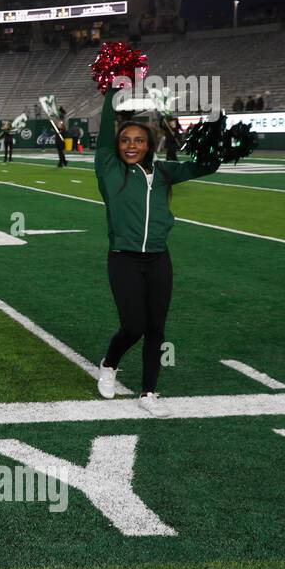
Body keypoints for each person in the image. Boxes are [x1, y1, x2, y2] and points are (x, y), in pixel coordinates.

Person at [93, 90, 220, 416]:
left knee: (156, 329)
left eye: (138, 140)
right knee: (133, 326)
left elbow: (206, 166)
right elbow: (107, 134)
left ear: (149, 145)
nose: (131, 145)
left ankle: (148, 391)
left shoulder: (164, 172)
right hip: (124, 258)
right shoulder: (110, 170)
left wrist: (216, 130)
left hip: (159, 259)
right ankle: (109, 363)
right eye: (125, 140)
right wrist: (111, 92)